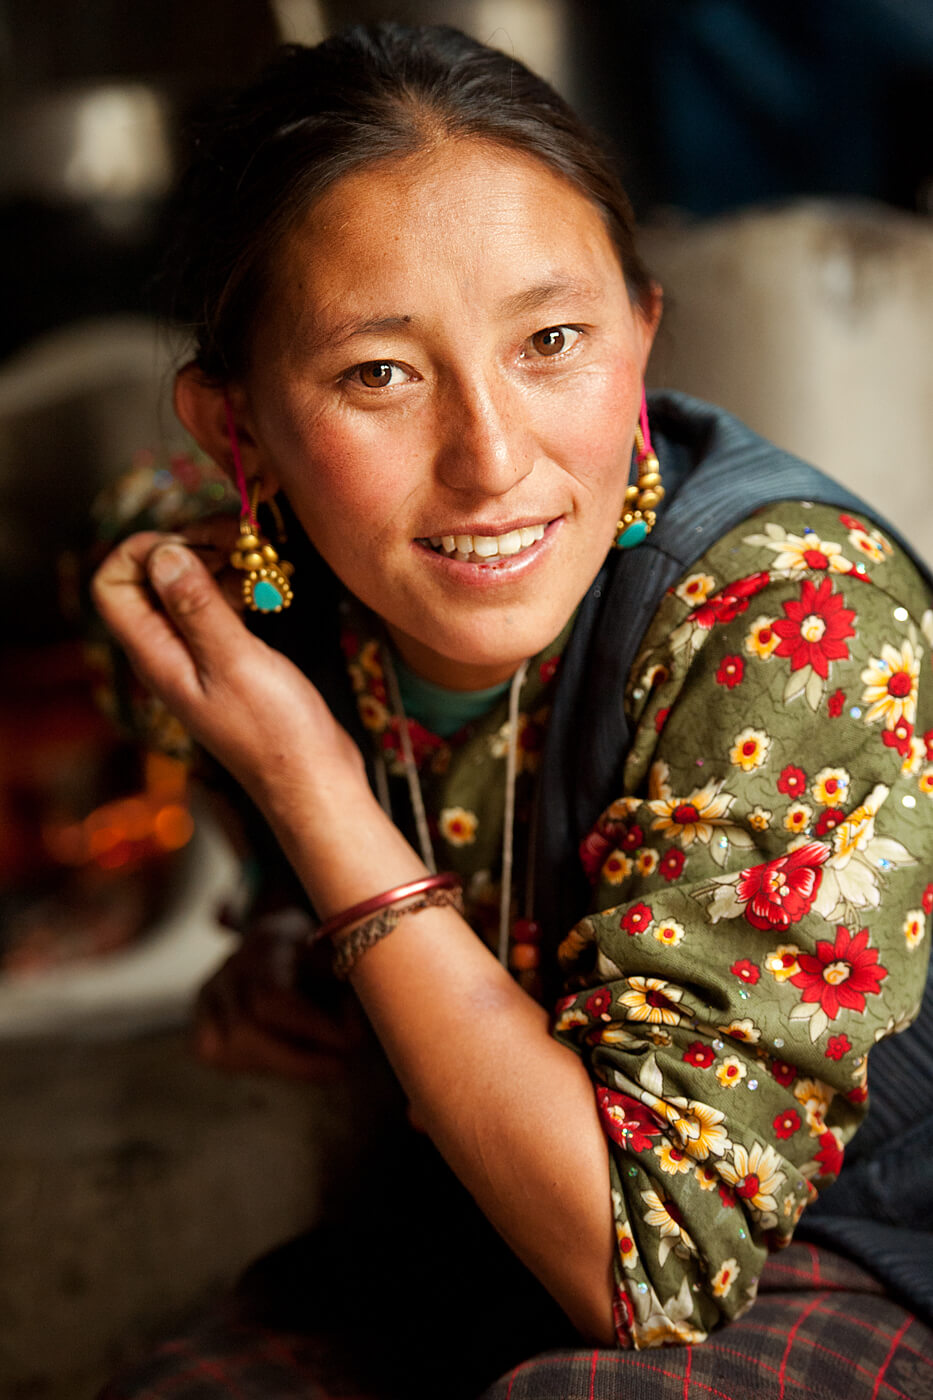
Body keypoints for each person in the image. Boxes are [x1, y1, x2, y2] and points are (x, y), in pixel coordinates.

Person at [91, 23, 933, 1400]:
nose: (490, 461)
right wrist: (290, 937)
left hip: (840, 1251)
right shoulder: (259, 591)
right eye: (379, 373)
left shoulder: (791, 608)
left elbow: (647, 1269)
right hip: (466, 1237)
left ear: (642, 332)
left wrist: (316, 801)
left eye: (551, 340)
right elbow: (124, 547)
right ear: (236, 432)